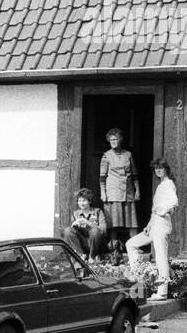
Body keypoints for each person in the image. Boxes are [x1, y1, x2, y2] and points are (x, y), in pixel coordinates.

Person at [127, 157, 179, 300]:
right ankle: (140, 279)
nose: (158, 171)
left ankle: (162, 291)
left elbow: (174, 202)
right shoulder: (161, 185)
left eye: (160, 168)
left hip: (162, 225)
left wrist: (163, 211)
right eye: (156, 168)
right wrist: (149, 224)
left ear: (166, 169)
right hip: (154, 225)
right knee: (131, 244)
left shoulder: (168, 184)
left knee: (161, 255)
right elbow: (154, 209)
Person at [99, 127, 139, 257]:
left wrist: (137, 190)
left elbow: (134, 174)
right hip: (113, 191)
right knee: (114, 223)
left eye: (115, 139)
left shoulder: (128, 155)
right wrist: (103, 193)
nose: (113, 141)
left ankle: (134, 247)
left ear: (120, 140)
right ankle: (114, 250)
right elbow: (102, 177)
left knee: (132, 222)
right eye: (111, 140)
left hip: (128, 191)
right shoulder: (106, 155)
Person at [62, 187, 110, 259]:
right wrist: (74, 225)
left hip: (97, 244)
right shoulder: (75, 214)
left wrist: (88, 223)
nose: (81, 203)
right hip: (83, 243)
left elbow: (103, 230)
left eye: (84, 201)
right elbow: (72, 233)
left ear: (89, 201)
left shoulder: (98, 212)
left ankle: (92, 256)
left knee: (95, 231)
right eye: (79, 201)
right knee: (67, 230)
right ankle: (81, 255)